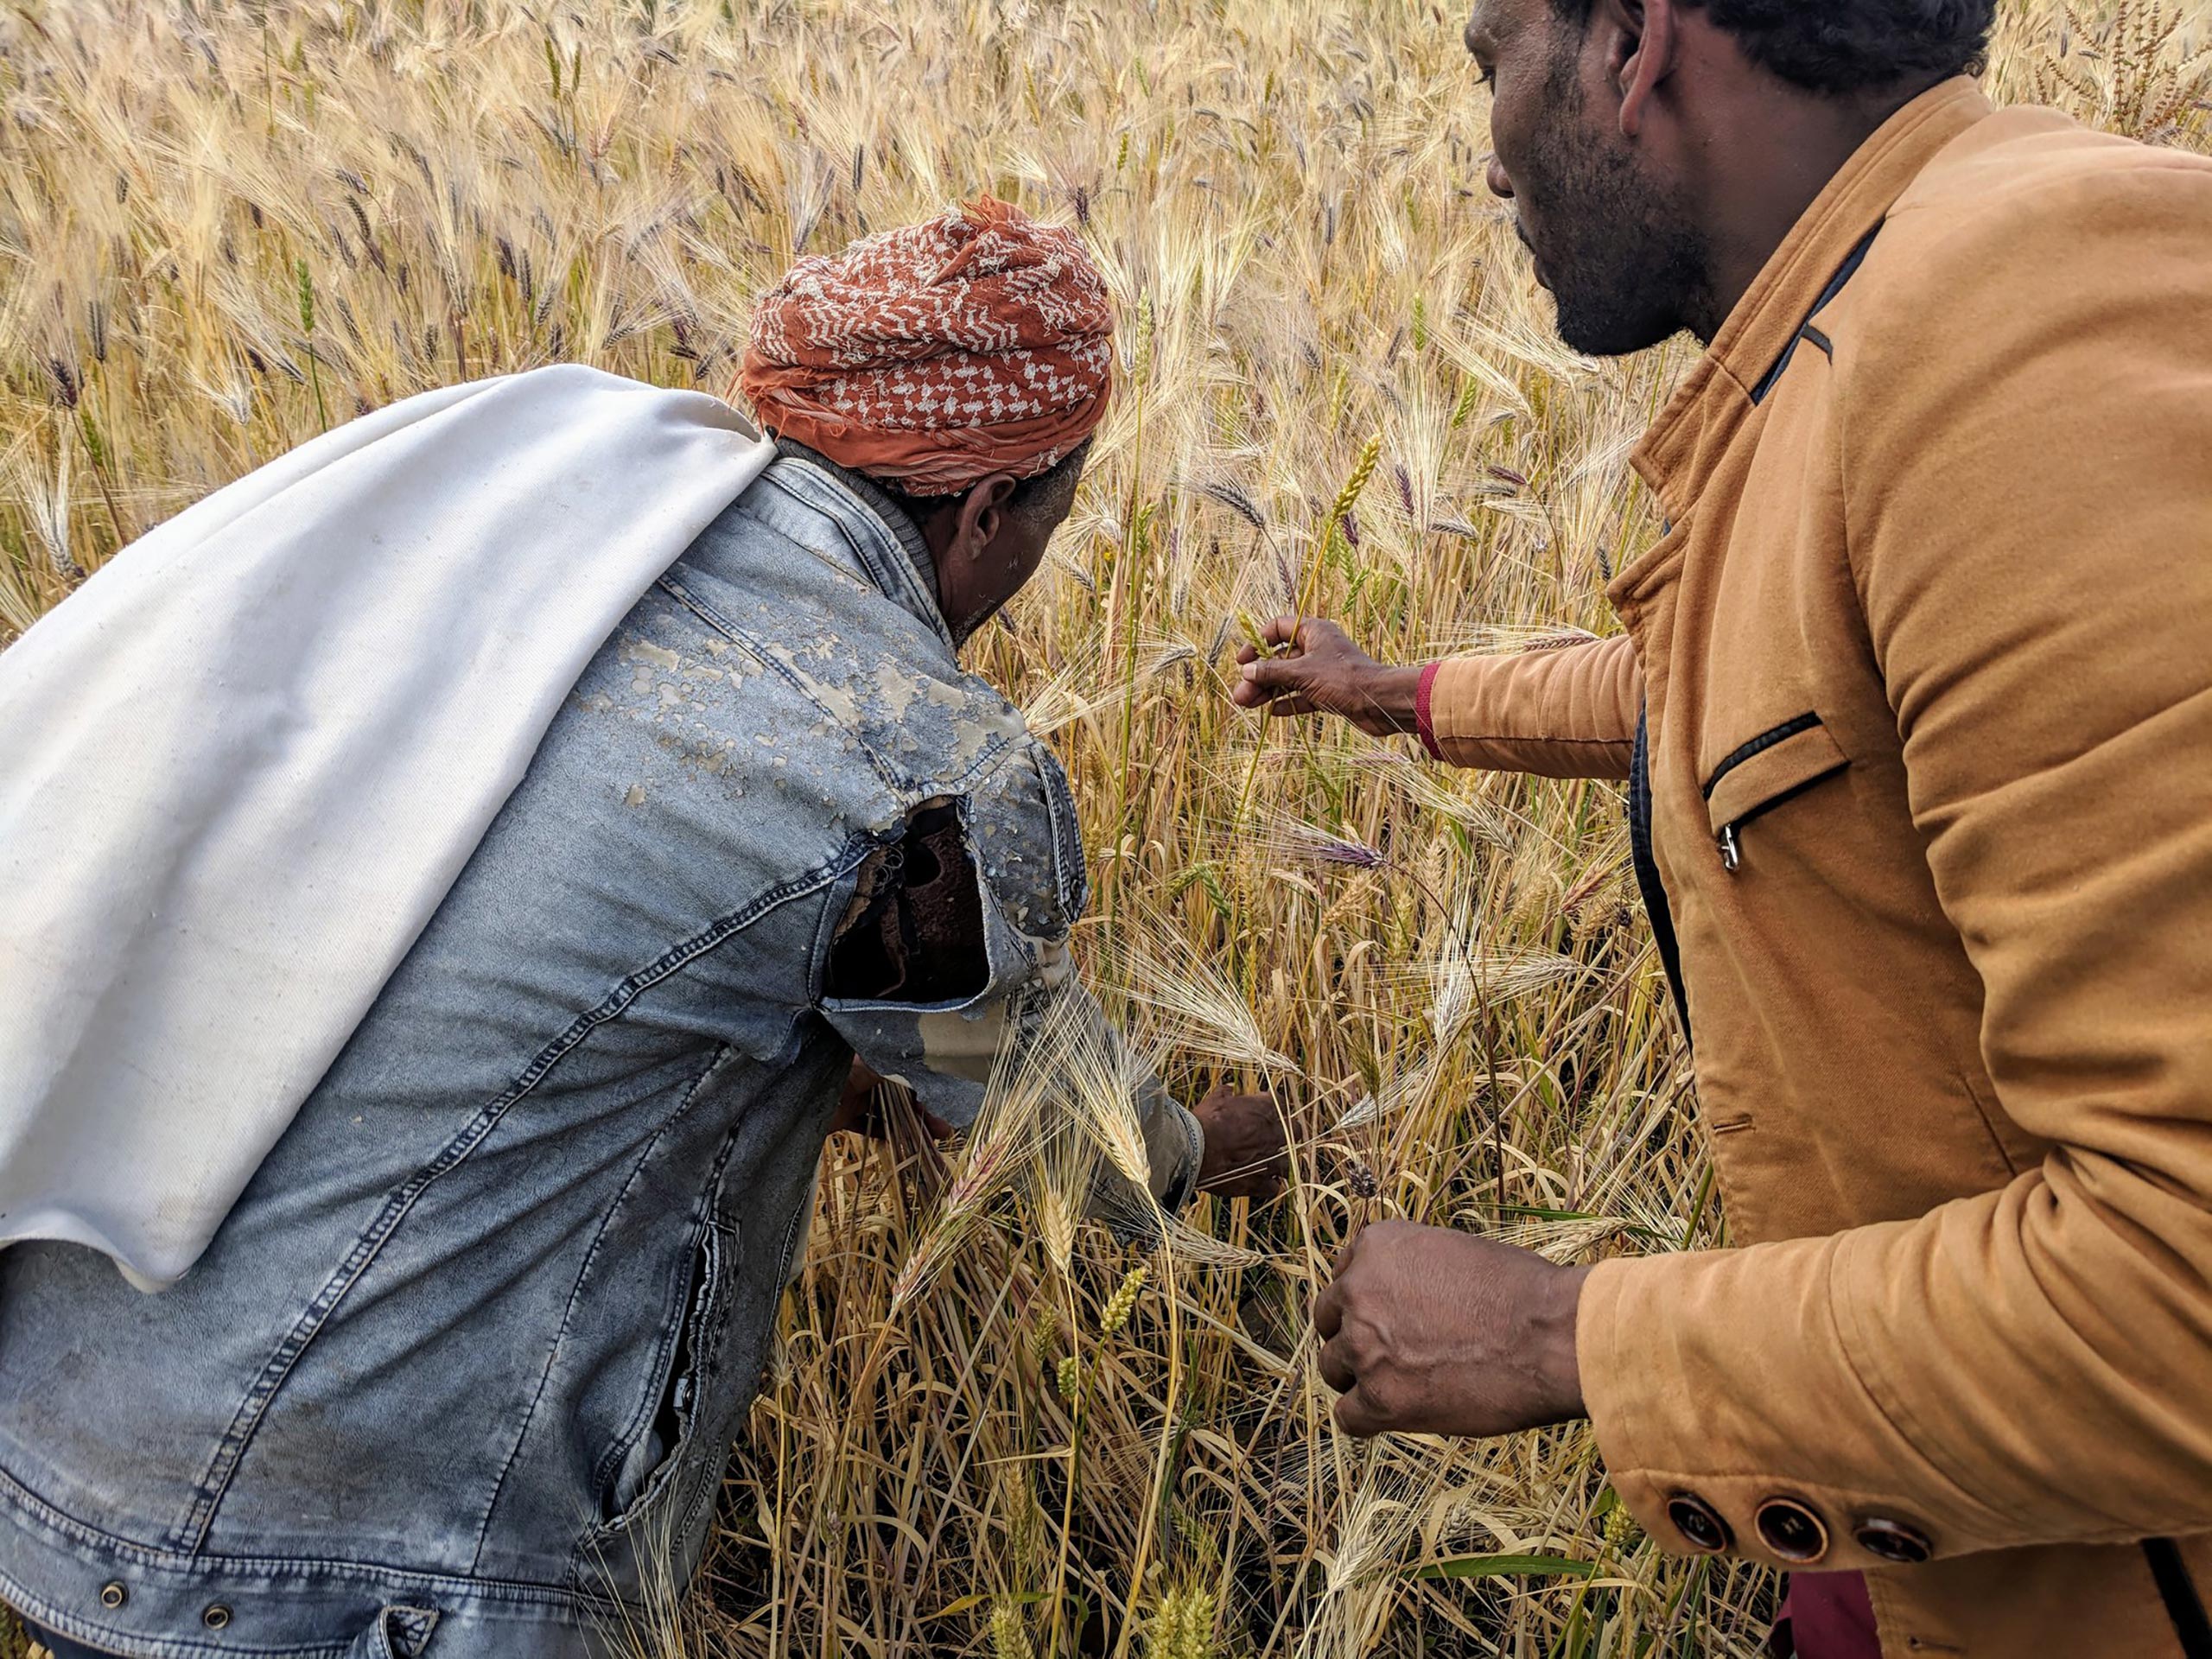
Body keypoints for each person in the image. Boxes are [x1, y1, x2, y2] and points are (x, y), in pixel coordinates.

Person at [0, 200, 1284, 1658]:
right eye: (1050, 519)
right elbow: (1078, 1153)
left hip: (67, 1423)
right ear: (990, 512)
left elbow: (545, 955)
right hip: (355, 1565)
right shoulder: (910, 765)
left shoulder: (540, 515)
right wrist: (1216, 1150)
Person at [1233, 3, 2212, 1656]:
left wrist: (1569, 1340)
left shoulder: (2019, 336)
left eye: (1493, 65)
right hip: (1907, 1521)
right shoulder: (1883, 303)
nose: (1484, 159)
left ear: (1632, 42)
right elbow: (1773, 690)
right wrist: (1406, 696)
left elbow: (2184, 1292)